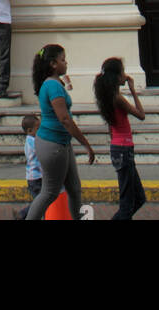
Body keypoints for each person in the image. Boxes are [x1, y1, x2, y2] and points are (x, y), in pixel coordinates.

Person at [24, 44, 95, 220]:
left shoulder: (54, 84)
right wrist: (86, 144)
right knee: (50, 192)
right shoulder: (53, 86)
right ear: (53, 64)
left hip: (61, 143)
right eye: (63, 59)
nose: (66, 63)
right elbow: (64, 119)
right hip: (53, 145)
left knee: (74, 189)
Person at [93, 56, 147, 220]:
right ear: (116, 76)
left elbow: (111, 127)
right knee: (127, 203)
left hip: (119, 148)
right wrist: (132, 90)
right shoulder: (117, 98)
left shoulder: (108, 97)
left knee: (138, 198)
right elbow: (141, 115)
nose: (125, 75)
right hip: (123, 150)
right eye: (123, 72)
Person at [17, 113, 42, 219]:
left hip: (35, 176)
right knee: (40, 202)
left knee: (40, 201)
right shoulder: (32, 142)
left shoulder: (32, 140)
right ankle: (23, 214)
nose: (40, 130)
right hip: (35, 177)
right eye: (38, 128)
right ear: (29, 131)